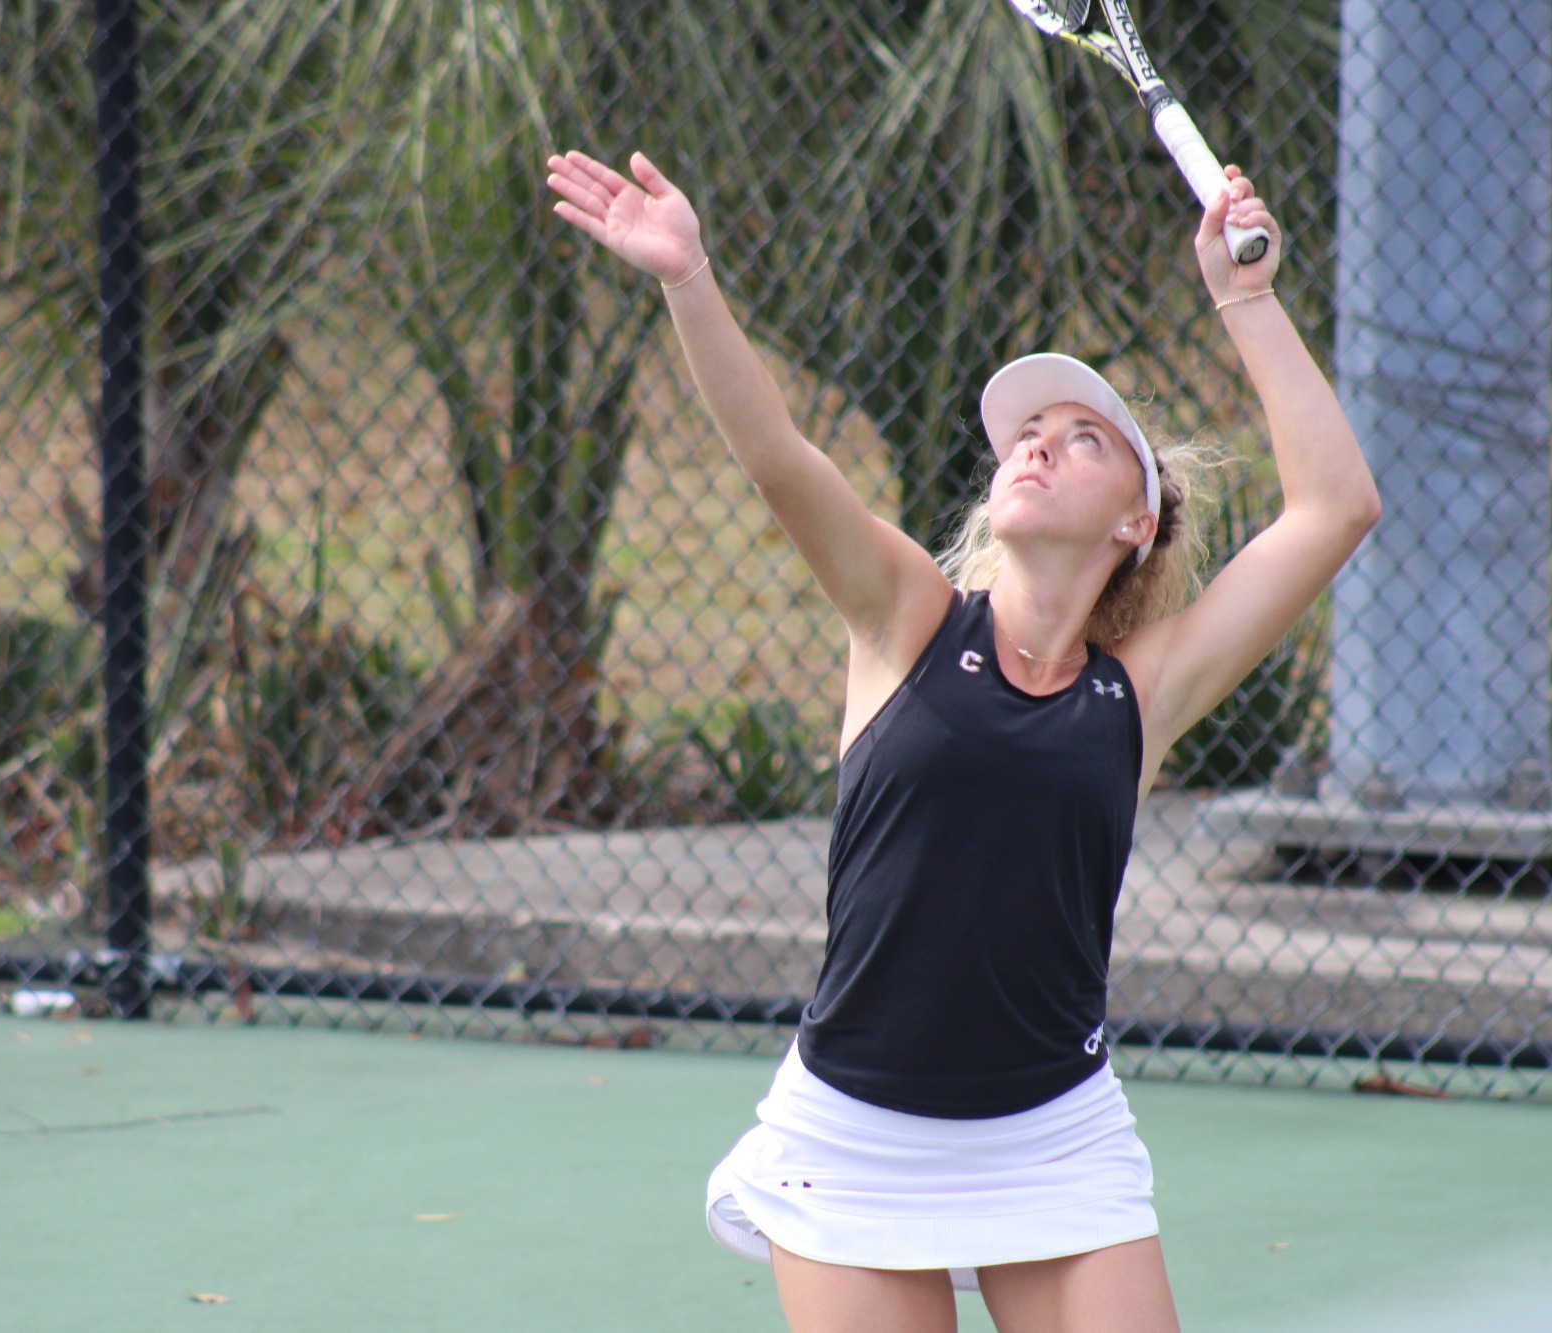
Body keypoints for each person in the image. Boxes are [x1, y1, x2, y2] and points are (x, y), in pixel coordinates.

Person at [543, 147, 1379, 1333]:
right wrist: (687, 278)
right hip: (851, 1137)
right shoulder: (904, 619)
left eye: (1080, 438)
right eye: (1024, 431)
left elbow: (1334, 507)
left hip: (1054, 1138)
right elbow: (777, 457)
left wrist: (1243, 300)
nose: (1034, 444)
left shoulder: (1139, 693)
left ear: (1134, 521)